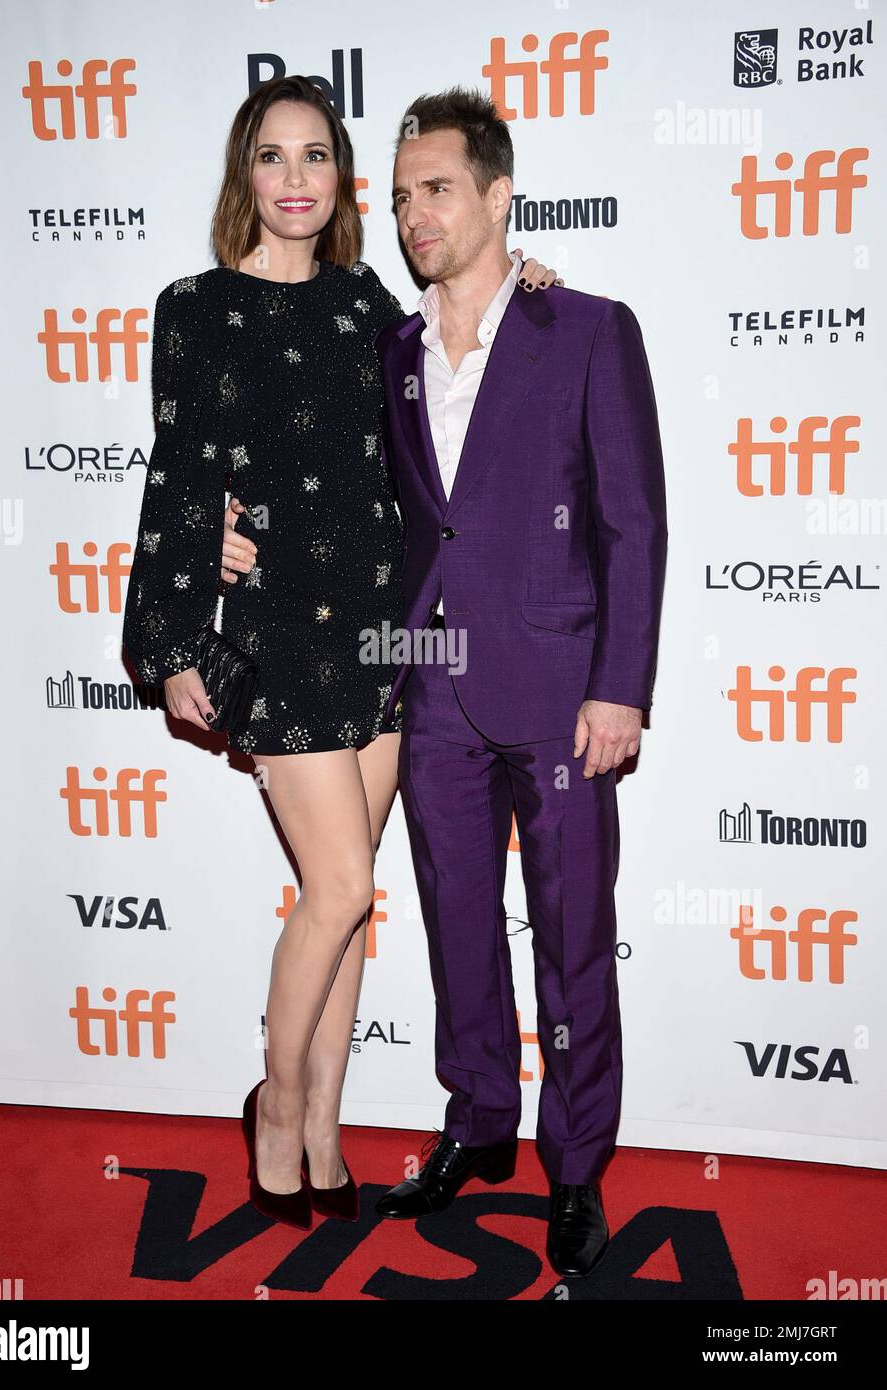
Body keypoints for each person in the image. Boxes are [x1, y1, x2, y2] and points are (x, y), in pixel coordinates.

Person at [121, 75, 558, 1230]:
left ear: (340, 177)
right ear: (244, 175)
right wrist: (173, 638)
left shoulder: (371, 305)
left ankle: (322, 1118)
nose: (297, 177)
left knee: (351, 901)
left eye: (318, 156)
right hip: (279, 635)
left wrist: (535, 286)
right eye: (275, 156)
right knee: (342, 886)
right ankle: (272, 1110)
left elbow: (470, 349)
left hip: (382, 627)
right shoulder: (195, 307)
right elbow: (178, 476)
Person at [372, 88, 668, 1280]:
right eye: (397, 197)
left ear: (500, 196)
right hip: (430, 681)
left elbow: (632, 524)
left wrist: (620, 686)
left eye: (437, 188)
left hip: (558, 685)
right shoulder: (390, 352)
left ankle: (577, 1165)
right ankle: (477, 1121)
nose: (413, 215)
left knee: (572, 933)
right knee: (454, 927)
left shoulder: (586, 328)